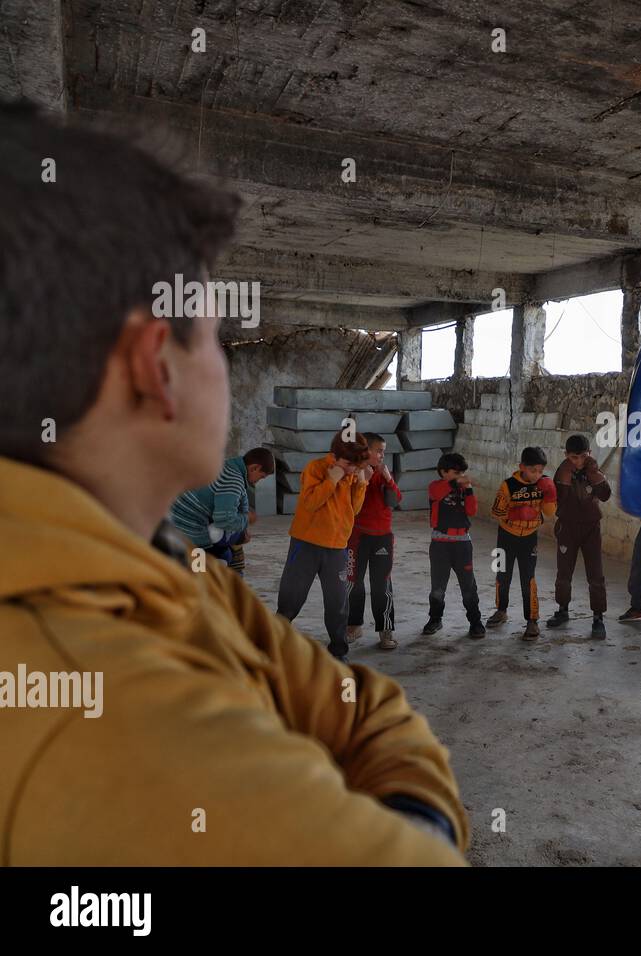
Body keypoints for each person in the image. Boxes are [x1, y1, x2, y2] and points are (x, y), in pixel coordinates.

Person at [0, 101, 467, 863]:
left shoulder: (168, 567)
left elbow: (362, 703)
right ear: (157, 366)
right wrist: (420, 811)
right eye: (216, 336)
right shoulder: (95, 710)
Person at [276, 429, 371, 662]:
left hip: (338, 546)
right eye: (349, 464)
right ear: (336, 456)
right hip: (306, 543)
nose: (352, 469)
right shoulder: (316, 468)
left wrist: (361, 485)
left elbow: (354, 510)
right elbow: (310, 503)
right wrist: (331, 480)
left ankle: (339, 651)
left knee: (338, 602)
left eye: (356, 466)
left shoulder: (352, 474)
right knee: (291, 599)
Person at [487, 446, 556, 640]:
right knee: (502, 574)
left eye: (540, 471)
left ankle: (532, 621)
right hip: (505, 537)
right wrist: (517, 512)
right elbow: (495, 512)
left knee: (529, 579)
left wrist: (550, 493)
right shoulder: (508, 485)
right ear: (521, 467)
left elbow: (550, 513)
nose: (537, 475)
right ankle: (501, 611)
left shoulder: (543, 484)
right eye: (533, 470)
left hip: (529, 539)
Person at [168, 446, 273, 572]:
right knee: (220, 543)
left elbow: (241, 501)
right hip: (190, 530)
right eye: (261, 477)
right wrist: (246, 521)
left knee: (225, 552)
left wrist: (244, 520)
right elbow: (224, 520)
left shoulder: (230, 466)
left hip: (173, 521)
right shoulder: (234, 480)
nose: (258, 481)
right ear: (254, 468)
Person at [547, 435, 610, 640]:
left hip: (591, 527)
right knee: (564, 571)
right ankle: (563, 609)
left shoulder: (592, 469)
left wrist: (594, 473)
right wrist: (566, 476)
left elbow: (605, 495)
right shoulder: (563, 470)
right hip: (568, 526)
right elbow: (559, 499)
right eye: (574, 457)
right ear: (567, 455)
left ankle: (598, 617)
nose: (579, 461)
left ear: (589, 454)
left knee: (596, 573)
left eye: (583, 456)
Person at [346, 433, 402, 651]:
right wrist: (364, 480)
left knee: (382, 585)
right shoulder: (353, 473)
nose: (382, 455)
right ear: (365, 450)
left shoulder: (383, 474)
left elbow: (394, 501)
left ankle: (385, 629)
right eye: (378, 450)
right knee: (353, 582)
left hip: (382, 537)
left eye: (383, 451)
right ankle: (353, 625)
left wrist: (388, 479)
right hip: (357, 537)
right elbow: (348, 503)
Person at [423, 452, 486, 639]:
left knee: (468, 586)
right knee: (437, 587)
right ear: (443, 472)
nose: (459, 476)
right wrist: (456, 482)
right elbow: (437, 493)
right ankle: (435, 619)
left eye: (461, 472)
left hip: (462, 543)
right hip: (440, 542)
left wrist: (469, 489)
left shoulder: (462, 488)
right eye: (455, 472)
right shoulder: (435, 486)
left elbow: (472, 510)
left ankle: (475, 622)